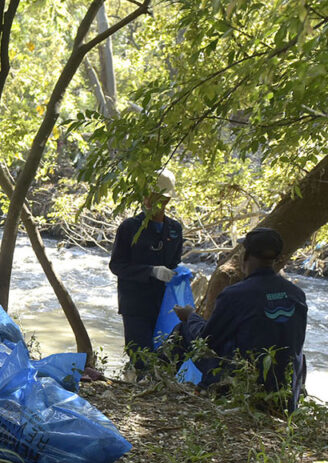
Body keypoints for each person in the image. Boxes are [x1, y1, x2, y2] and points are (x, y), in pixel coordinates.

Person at [174, 227, 308, 410]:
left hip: (243, 386)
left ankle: (153, 383)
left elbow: (207, 341)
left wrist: (190, 317)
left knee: (183, 330)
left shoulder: (235, 294)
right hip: (285, 389)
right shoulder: (297, 294)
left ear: (246, 257)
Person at [108, 168, 184, 375]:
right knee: (140, 356)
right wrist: (151, 271)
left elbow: (175, 262)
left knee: (166, 354)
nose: (151, 201)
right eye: (148, 195)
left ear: (167, 199)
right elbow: (117, 265)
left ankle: (159, 389)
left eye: (158, 196)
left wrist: (180, 273)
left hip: (165, 304)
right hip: (135, 304)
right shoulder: (130, 227)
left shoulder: (175, 229)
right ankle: (139, 383)